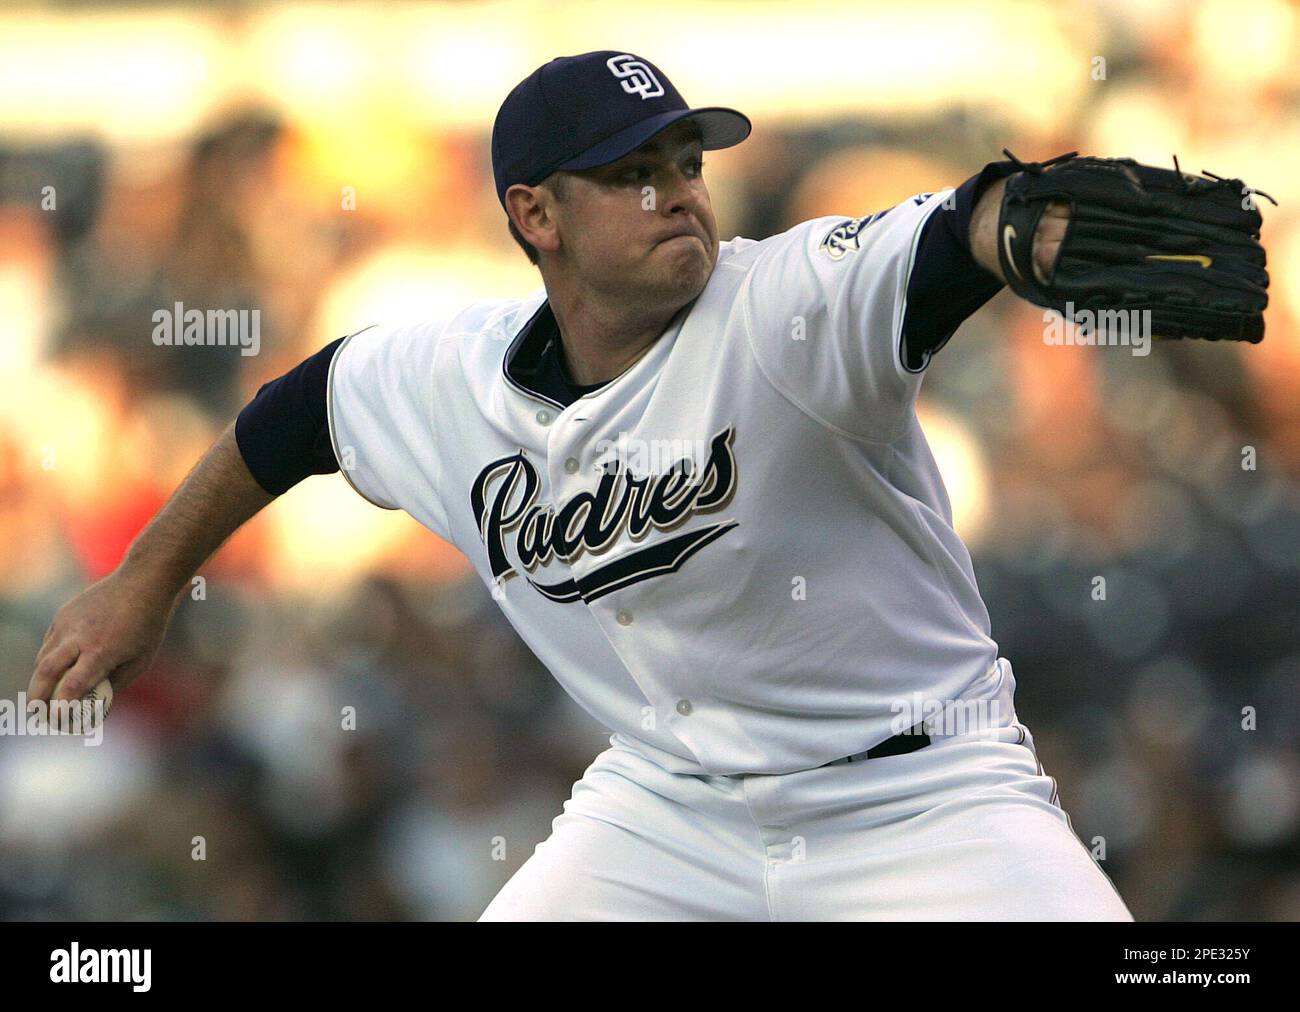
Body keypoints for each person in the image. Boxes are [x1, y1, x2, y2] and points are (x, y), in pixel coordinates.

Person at [38, 49, 1262, 920]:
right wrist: (144, 579)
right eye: (631, 172)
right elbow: (289, 416)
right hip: (668, 809)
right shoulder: (446, 378)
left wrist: (1025, 224)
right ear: (536, 214)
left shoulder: (784, 305)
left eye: (685, 159)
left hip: (924, 797)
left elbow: (950, 237)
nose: (677, 187)